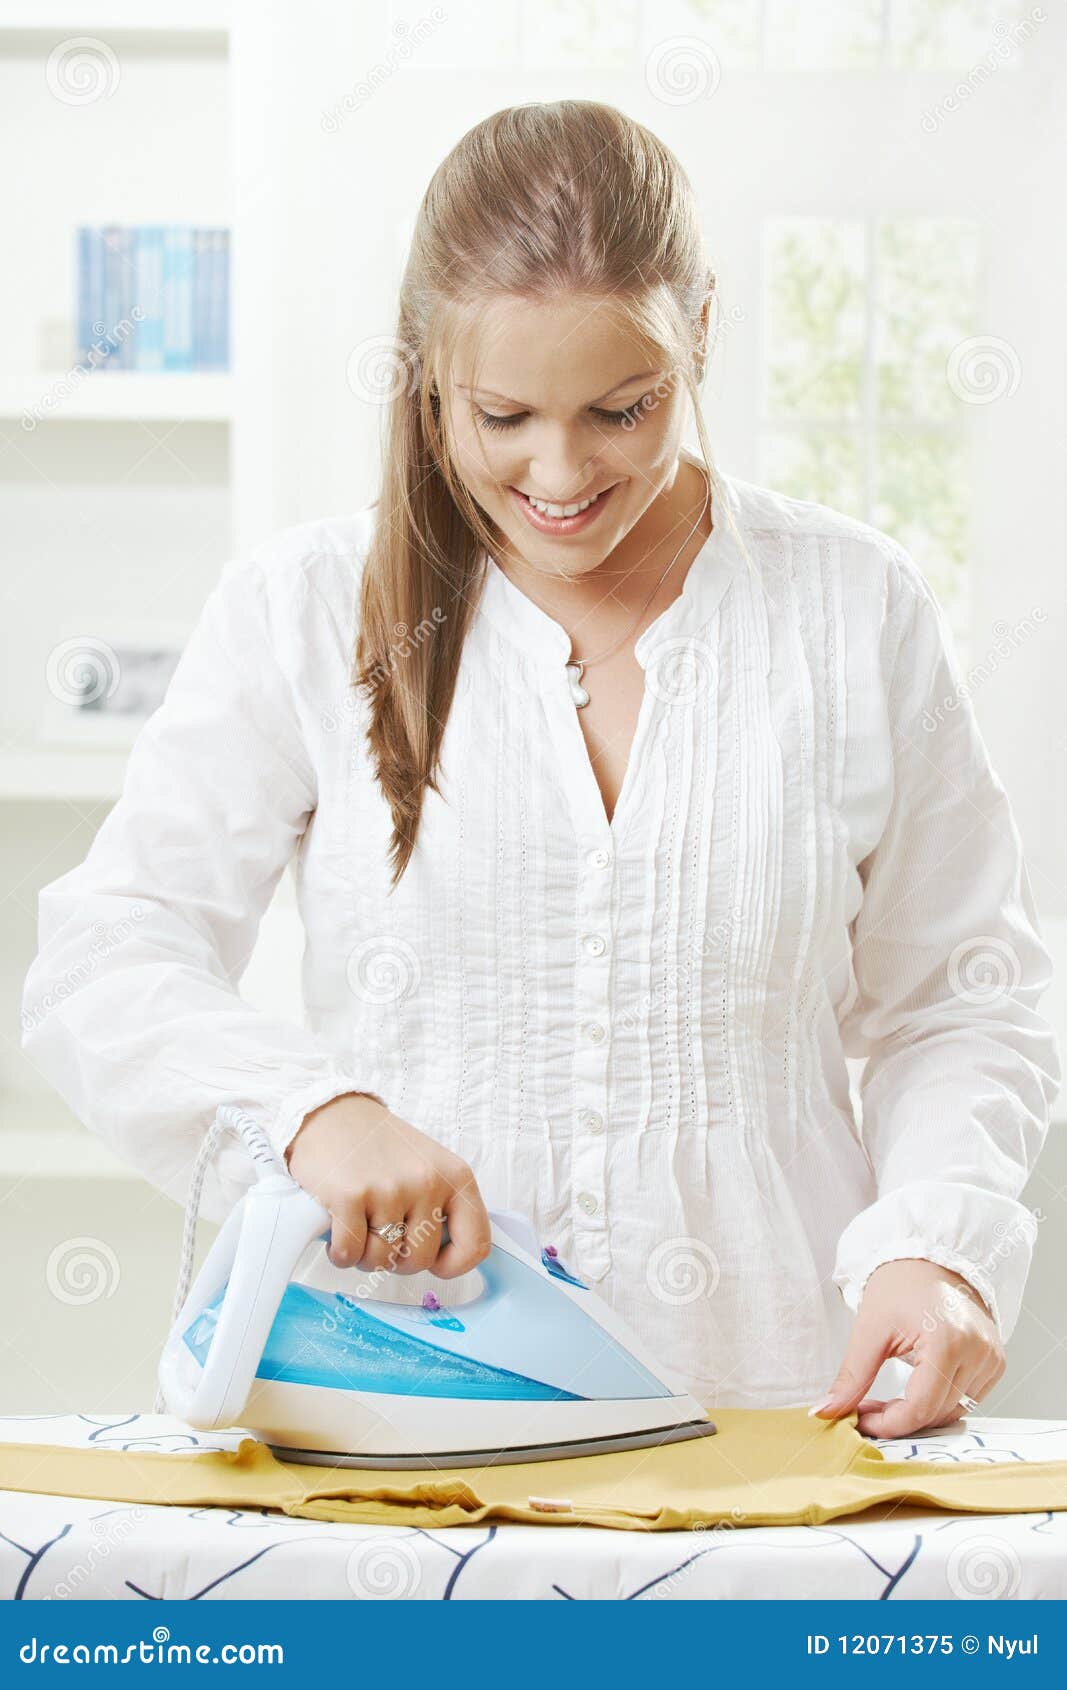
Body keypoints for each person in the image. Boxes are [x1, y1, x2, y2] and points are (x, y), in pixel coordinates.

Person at [21, 101, 1060, 1437]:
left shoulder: (850, 606)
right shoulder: (306, 609)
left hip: (785, 1405)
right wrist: (312, 1113)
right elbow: (107, 953)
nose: (561, 474)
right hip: (399, 1413)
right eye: (502, 414)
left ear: (701, 341)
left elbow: (959, 998)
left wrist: (941, 1241)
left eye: (625, 409)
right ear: (425, 379)